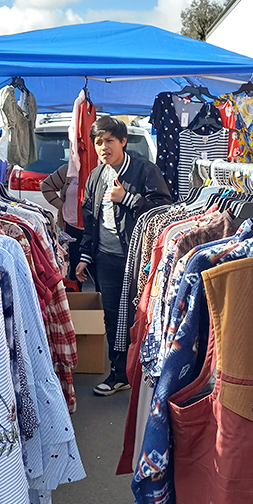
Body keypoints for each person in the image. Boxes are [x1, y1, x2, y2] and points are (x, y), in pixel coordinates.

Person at [76, 115, 171, 396]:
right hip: (106, 258)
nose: (103, 147)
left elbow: (164, 211)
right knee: (113, 316)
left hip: (139, 258)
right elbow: (90, 218)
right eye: (98, 142)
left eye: (109, 141)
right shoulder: (96, 176)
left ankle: (145, 370)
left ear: (123, 142)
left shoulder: (144, 171)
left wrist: (128, 199)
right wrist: (85, 256)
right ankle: (120, 373)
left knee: (142, 314)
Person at [40, 163, 84, 289]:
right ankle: (77, 303)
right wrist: (63, 207)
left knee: (98, 272)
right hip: (71, 227)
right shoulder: (69, 170)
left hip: (98, 229)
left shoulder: (104, 168)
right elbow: (46, 186)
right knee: (74, 269)